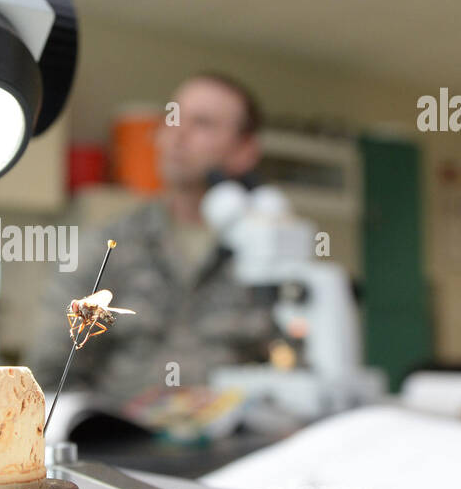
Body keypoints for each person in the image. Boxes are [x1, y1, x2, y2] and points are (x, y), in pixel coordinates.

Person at [25, 71, 280, 406]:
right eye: (171, 118)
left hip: (242, 449)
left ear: (244, 150)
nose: (177, 135)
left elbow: (307, 370)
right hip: (119, 448)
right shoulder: (107, 247)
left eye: (202, 123)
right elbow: (50, 374)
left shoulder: (272, 252)